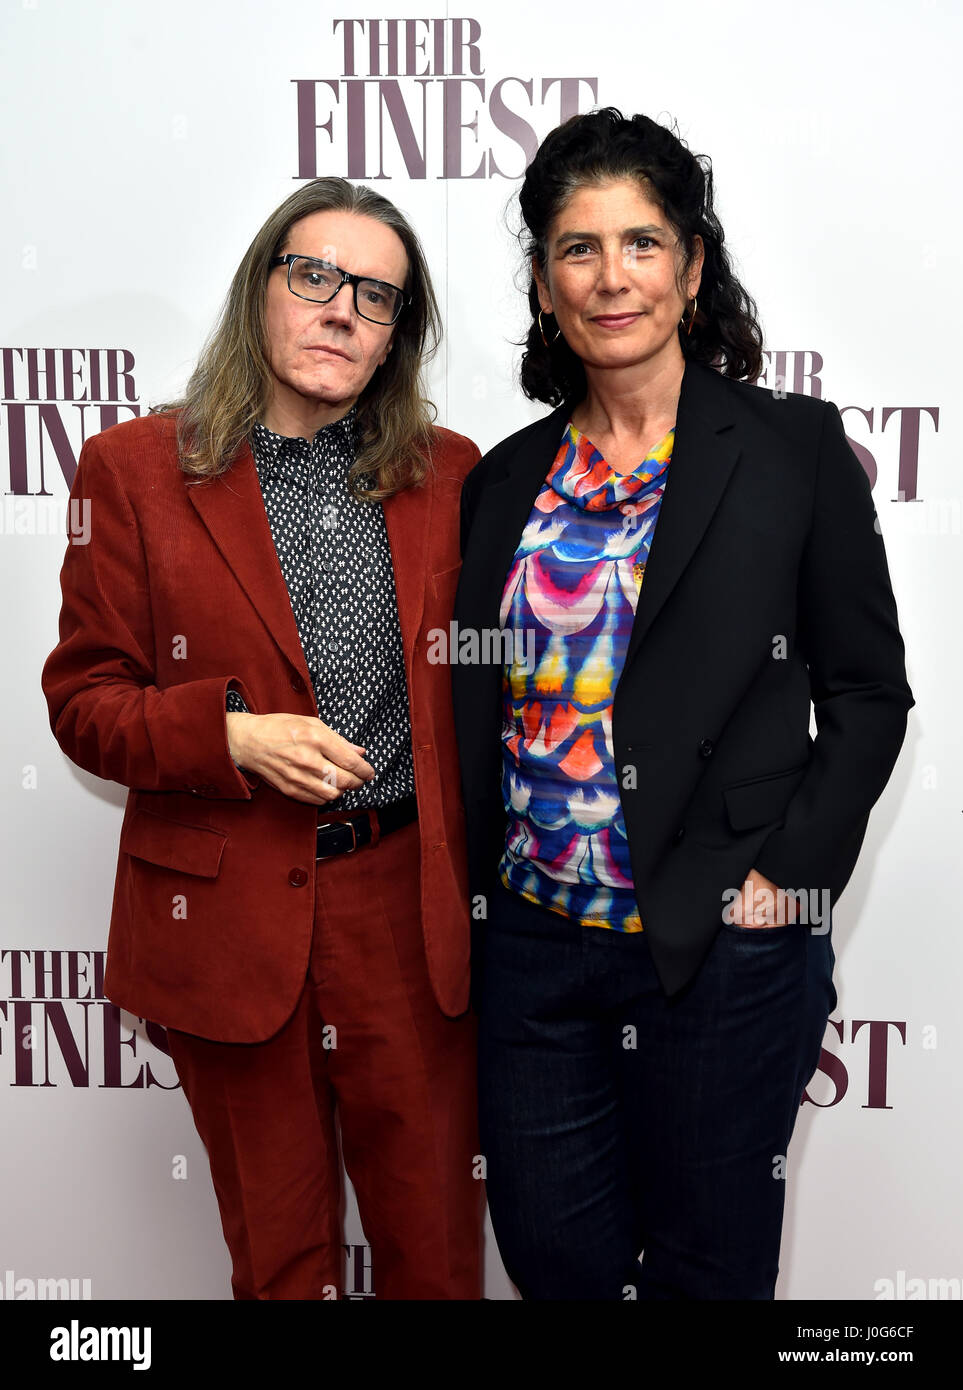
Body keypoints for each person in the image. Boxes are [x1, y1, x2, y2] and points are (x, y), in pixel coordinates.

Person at [452, 108, 914, 1300]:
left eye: (642, 242)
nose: (613, 277)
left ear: (693, 267)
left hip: (723, 951)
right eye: (577, 248)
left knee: (710, 1277)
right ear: (545, 285)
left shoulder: (794, 449)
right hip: (539, 953)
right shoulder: (503, 478)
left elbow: (867, 692)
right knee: (558, 1265)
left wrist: (785, 883)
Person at [41, 177, 484, 1300]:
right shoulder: (136, 471)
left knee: (433, 1253)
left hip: (405, 915)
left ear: (395, 340)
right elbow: (84, 700)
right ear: (262, 292)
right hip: (226, 915)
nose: (342, 310)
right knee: (282, 1263)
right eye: (315, 276)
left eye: (376, 298)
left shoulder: (454, 476)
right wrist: (231, 735)